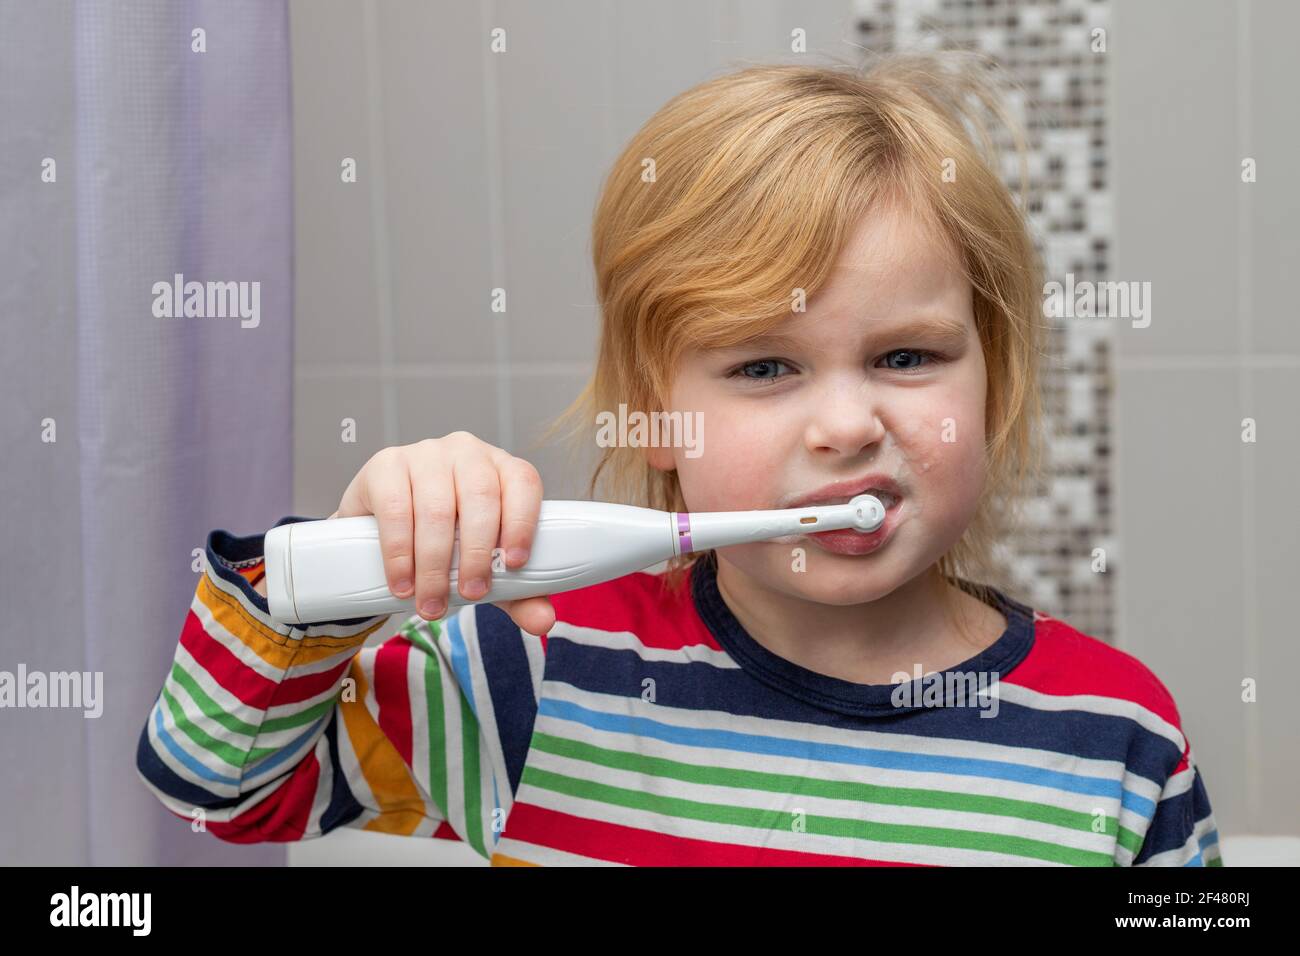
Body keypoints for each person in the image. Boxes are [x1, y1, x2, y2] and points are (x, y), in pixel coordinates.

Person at [136, 52, 1221, 866]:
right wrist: (332, 572)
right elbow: (215, 790)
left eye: (906, 355)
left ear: (996, 380)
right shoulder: (535, 670)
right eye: (762, 368)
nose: (844, 424)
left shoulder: (1115, 740)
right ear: (656, 417)